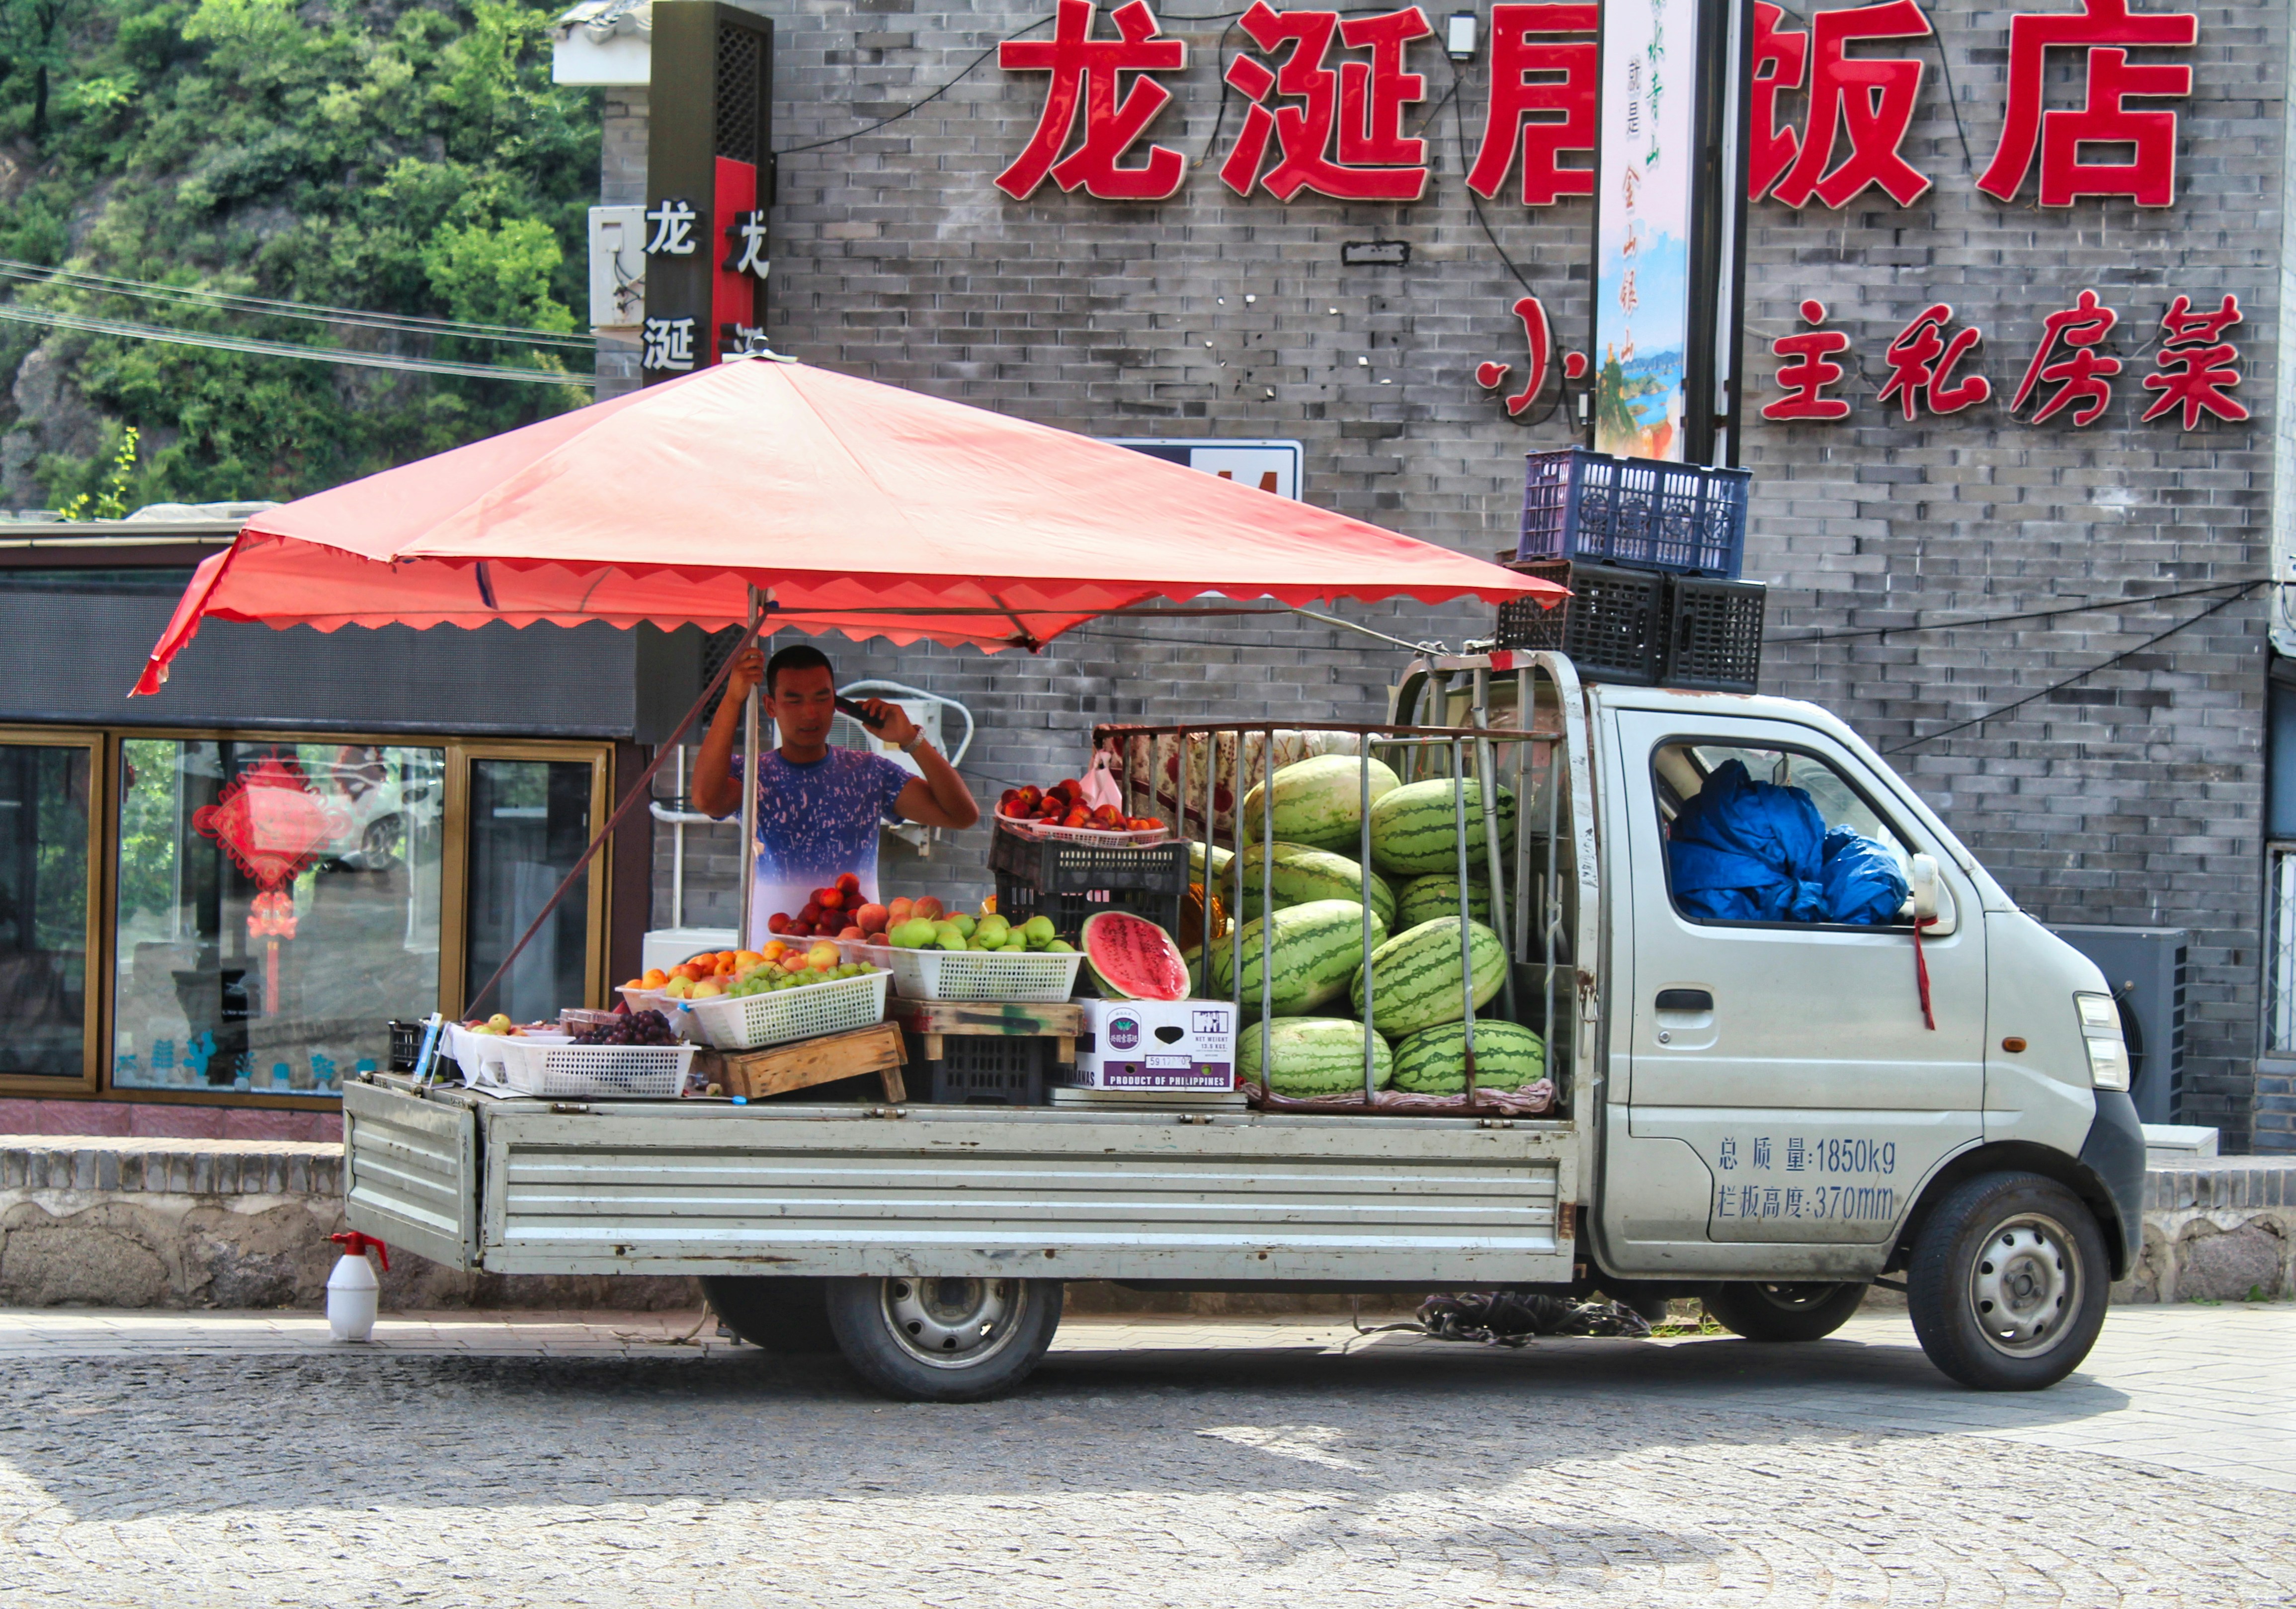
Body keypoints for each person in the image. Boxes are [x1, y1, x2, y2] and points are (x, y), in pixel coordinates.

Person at [691, 643, 979, 945]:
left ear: (836, 702)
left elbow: (962, 815)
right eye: (794, 700)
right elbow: (707, 799)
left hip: (857, 957)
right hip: (771, 956)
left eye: (822, 697)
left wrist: (911, 739)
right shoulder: (754, 773)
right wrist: (732, 699)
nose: (811, 712)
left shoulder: (868, 771)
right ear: (770, 706)